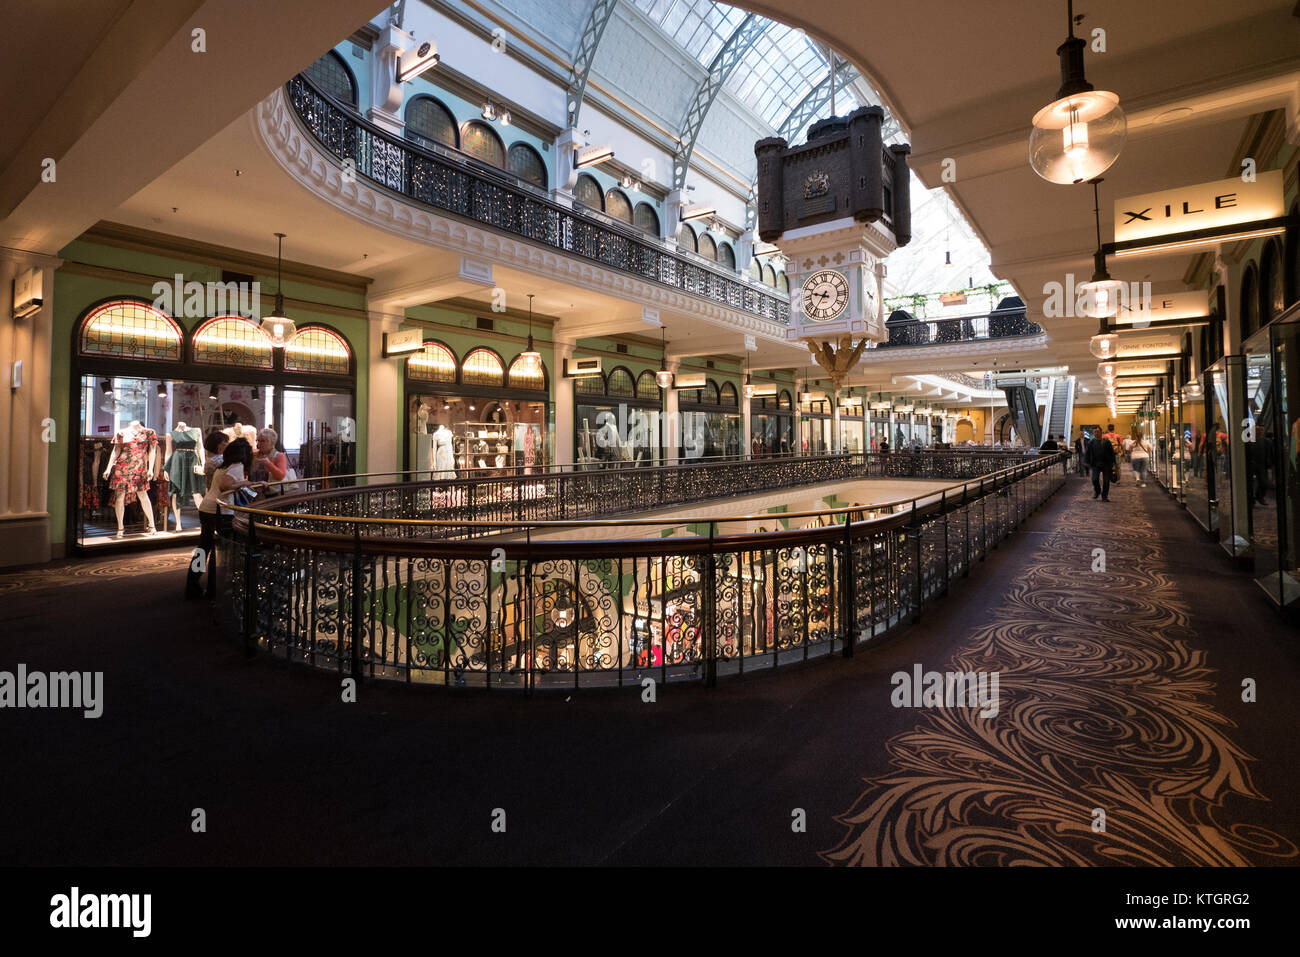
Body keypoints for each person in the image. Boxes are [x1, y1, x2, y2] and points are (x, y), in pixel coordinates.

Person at [186, 438, 263, 599]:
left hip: (207, 507)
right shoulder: (237, 466)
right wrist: (247, 483)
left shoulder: (224, 465)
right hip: (219, 511)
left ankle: (192, 583)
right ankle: (220, 586)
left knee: (203, 548)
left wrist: (245, 484)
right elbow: (225, 486)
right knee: (226, 549)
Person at [1086, 428, 1116, 501]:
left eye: (1097, 432)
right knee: (1094, 479)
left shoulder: (1107, 442)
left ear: (1101, 432)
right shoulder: (1091, 442)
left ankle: (1104, 496)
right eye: (1095, 432)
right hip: (1095, 464)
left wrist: (1114, 463)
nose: (1096, 433)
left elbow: (1112, 453)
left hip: (1106, 464)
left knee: (1106, 481)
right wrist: (1087, 462)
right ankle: (1097, 491)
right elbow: (1088, 453)